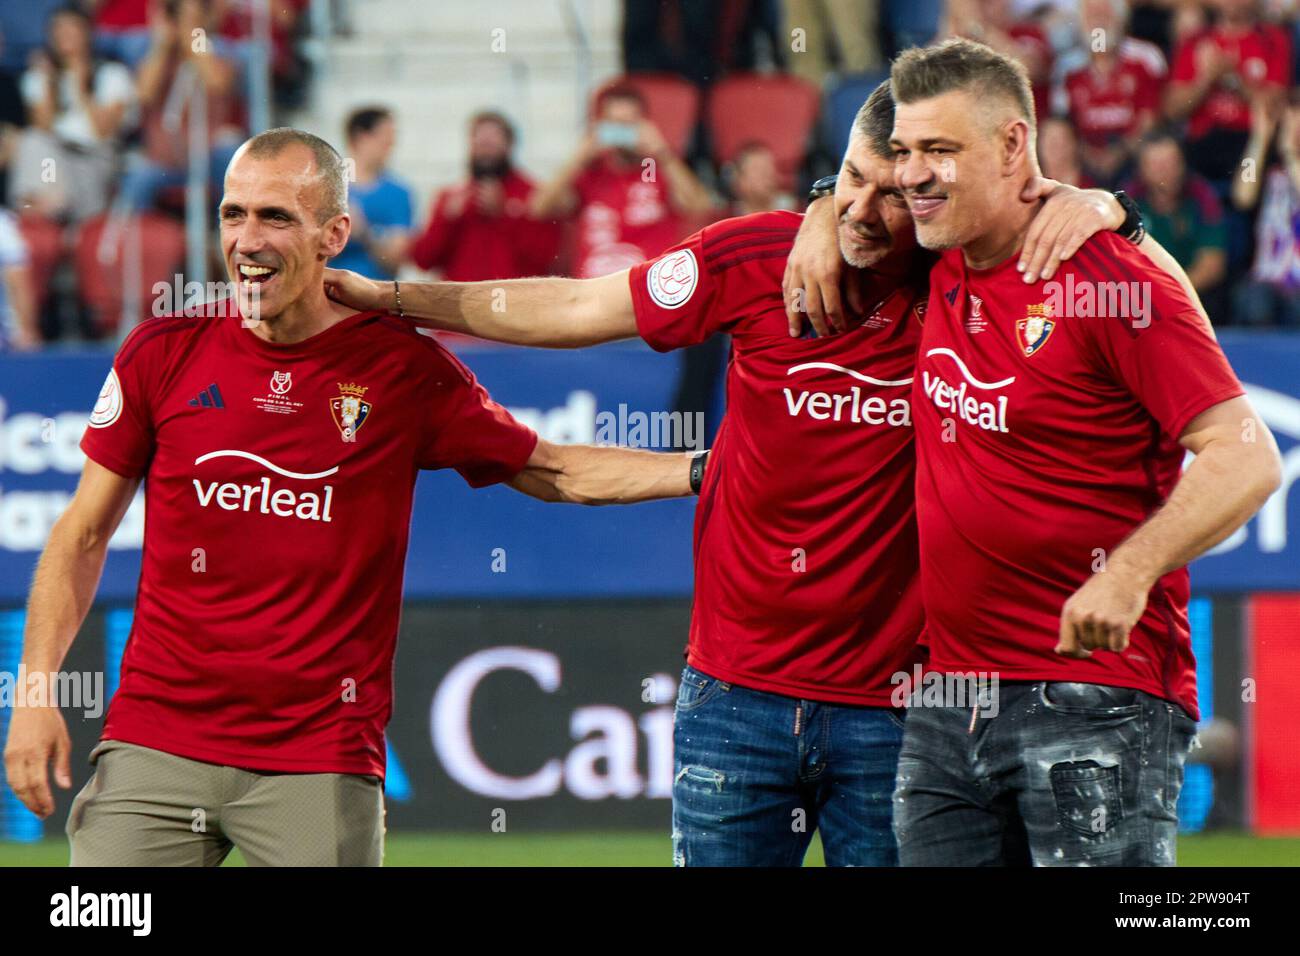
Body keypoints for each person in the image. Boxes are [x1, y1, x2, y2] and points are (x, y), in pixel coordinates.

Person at [322, 83, 1190, 866]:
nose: (860, 208)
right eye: (847, 177)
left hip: (898, 713)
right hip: (732, 701)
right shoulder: (751, 259)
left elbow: (1136, 292)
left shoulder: (969, 287)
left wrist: (1113, 208)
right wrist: (395, 298)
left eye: (892, 193)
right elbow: (576, 307)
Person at [1, 128, 698, 867]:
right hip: (155, 745)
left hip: (317, 759)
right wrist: (35, 694)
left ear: (335, 233)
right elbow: (79, 536)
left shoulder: (402, 370)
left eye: (275, 217)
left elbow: (555, 470)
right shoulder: (163, 350)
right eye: (233, 215)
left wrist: (706, 468)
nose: (246, 239)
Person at [792, 37, 1280, 866]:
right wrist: (814, 212)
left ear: (1014, 146)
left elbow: (1248, 455)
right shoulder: (938, 252)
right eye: (906, 151)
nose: (912, 175)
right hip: (948, 701)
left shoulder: (1104, 277)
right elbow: (856, 204)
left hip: (1097, 696)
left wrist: (1125, 573)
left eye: (939, 151)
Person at [530, 84, 713, 278]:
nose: (622, 134)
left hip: (647, 285)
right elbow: (539, 207)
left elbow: (700, 207)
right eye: (615, 125)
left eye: (629, 125)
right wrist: (579, 156)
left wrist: (662, 153)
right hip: (594, 288)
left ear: (644, 124)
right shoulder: (590, 173)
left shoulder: (658, 169)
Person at [8, 4, 134, 222]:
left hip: (94, 162)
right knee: (32, 141)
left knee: (50, 166)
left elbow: (102, 132)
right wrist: (48, 82)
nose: (64, 35)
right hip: (56, 166)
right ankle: (41, 214)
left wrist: (80, 84)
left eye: (71, 28)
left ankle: (50, 216)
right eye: (58, 29)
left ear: (87, 33)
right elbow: (42, 127)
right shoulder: (41, 76)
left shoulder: (112, 74)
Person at [407, 111, 559, 281]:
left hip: (516, 302)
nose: (485, 152)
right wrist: (448, 220)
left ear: (509, 145)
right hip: (461, 303)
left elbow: (549, 259)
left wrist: (505, 214)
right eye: (480, 144)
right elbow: (423, 260)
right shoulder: (451, 197)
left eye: (491, 144)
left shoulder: (535, 197)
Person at [1058, 0, 1166, 187]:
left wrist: (1120, 152)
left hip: (1134, 158)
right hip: (1084, 161)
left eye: (1104, 15)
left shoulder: (1146, 57)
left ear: (1121, 19)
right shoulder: (1067, 67)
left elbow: (1151, 119)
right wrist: (1089, 156)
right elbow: (1062, 124)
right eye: (1092, 16)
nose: (1098, 23)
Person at [1124, 128, 1227, 297]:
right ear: (1141, 170)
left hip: (1194, 297)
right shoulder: (1129, 200)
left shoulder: (1202, 196)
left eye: (1170, 162)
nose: (1164, 171)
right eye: (1156, 165)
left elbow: (1212, 267)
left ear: (1182, 164)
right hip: (1142, 299)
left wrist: (1169, 294)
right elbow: (1121, 263)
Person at [1231, 90, 1300, 325]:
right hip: (1266, 280)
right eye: (1292, 112)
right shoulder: (1266, 165)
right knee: (1254, 304)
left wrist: (1292, 156)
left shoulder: (1289, 163)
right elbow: (1243, 195)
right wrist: (1259, 139)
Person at [329, 106, 412, 281]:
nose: (390, 147)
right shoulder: (325, 186)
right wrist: (338, 233)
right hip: (328, 292)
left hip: (377, 296)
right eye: (385, 140)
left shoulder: (398, 193)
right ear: (361, 138)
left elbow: (395, 260)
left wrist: (365, 232)